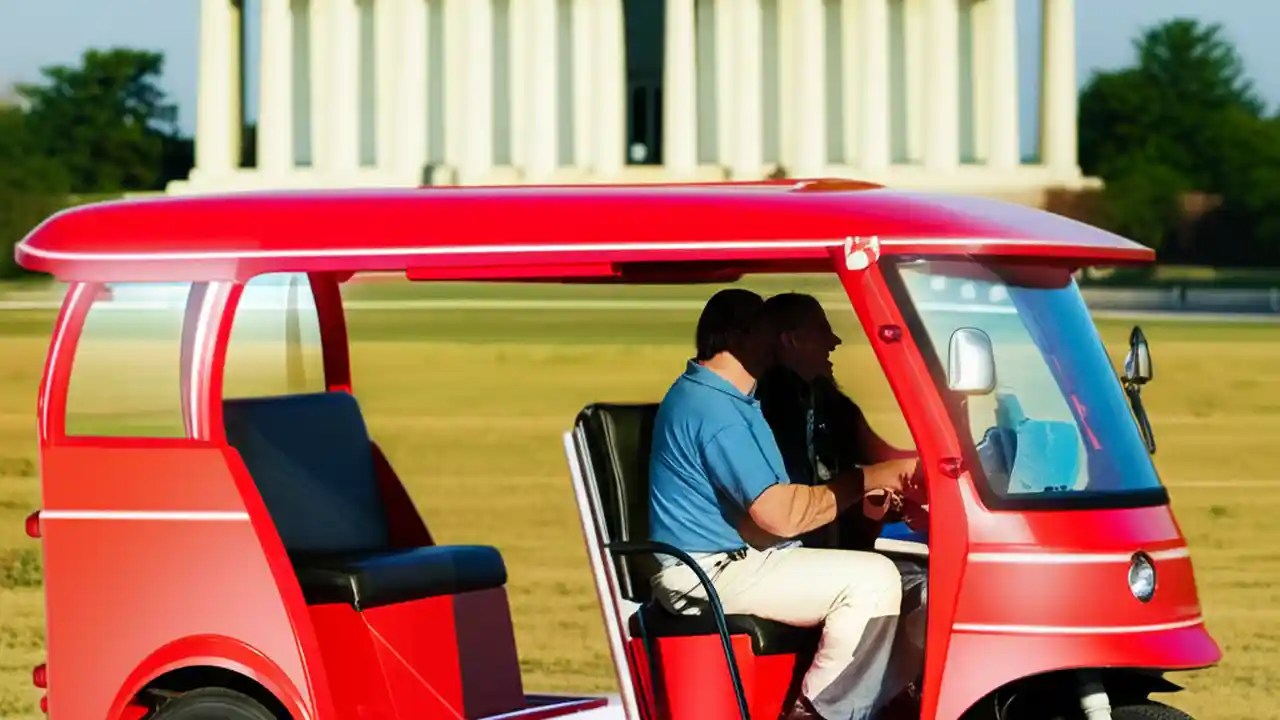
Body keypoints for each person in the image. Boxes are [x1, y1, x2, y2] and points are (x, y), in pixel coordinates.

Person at [647, 288, 919, 720]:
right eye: (770, 332)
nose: (777, 344)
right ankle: (818, 713)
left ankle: (878, 704)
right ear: (743, 336)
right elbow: (780, 515)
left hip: (745, 557)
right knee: (871, 579)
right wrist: (866, 479)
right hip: (709, 570)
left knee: (917, 591)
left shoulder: (736, 400)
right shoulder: (713, 410)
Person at [753, 292, 931, 710]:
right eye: (821, 331)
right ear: (791, 340)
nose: (835, 341)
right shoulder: (769, 408)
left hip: (828, 548)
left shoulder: (825, 401)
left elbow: (887, 460)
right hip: (790, 553)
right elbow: (793, 505)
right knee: (898, 585)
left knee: (920, 581)